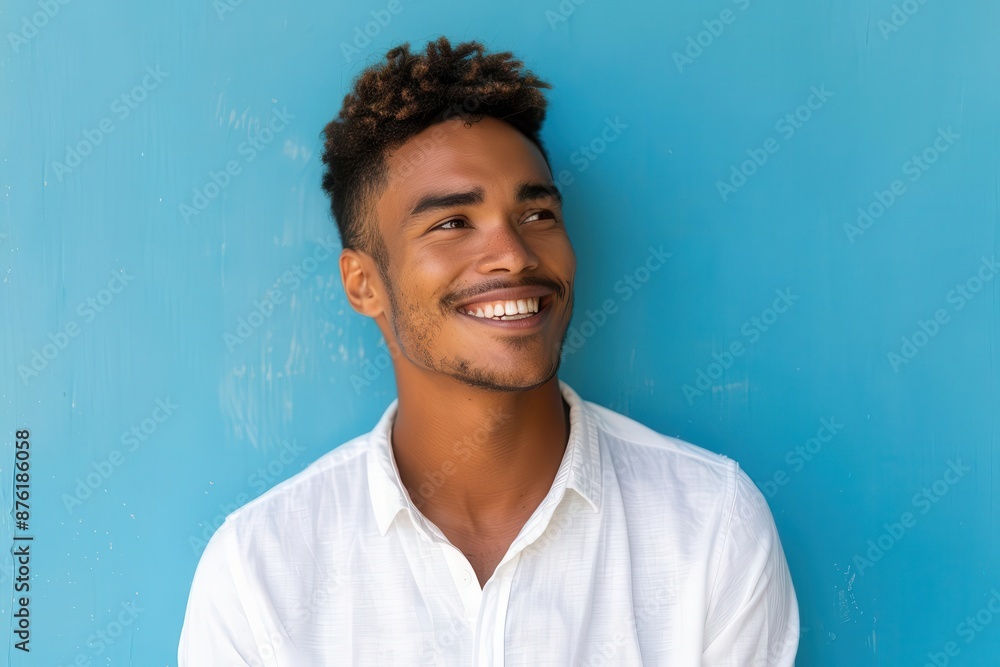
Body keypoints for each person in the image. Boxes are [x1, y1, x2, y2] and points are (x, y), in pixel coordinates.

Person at [178, 36, 799, 666]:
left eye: (537, 215)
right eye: (452, 223)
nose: (515, 254)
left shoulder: (709, 527)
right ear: (364, 284)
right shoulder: (259, 570)